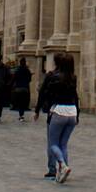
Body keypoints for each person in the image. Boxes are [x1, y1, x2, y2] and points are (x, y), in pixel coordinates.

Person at [34, 53, 79, 183]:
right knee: (63, 144)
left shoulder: (53, 77)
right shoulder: (73, 78)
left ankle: (61, 167)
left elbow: (45, 93)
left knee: (53, 143)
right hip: (72, 112)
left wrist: (39, 109)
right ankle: (62, 169)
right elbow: (75, 97)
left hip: (58, 111)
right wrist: (78, 115)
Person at [11, 56, 31, 121]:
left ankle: (20, 115)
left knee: (19, 102)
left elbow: (14, 78)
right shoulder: (27, 70)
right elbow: (29, 79)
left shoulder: (17, 70)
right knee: (23, 102)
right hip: (25, 88)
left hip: (18, 88)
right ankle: (22, 115)